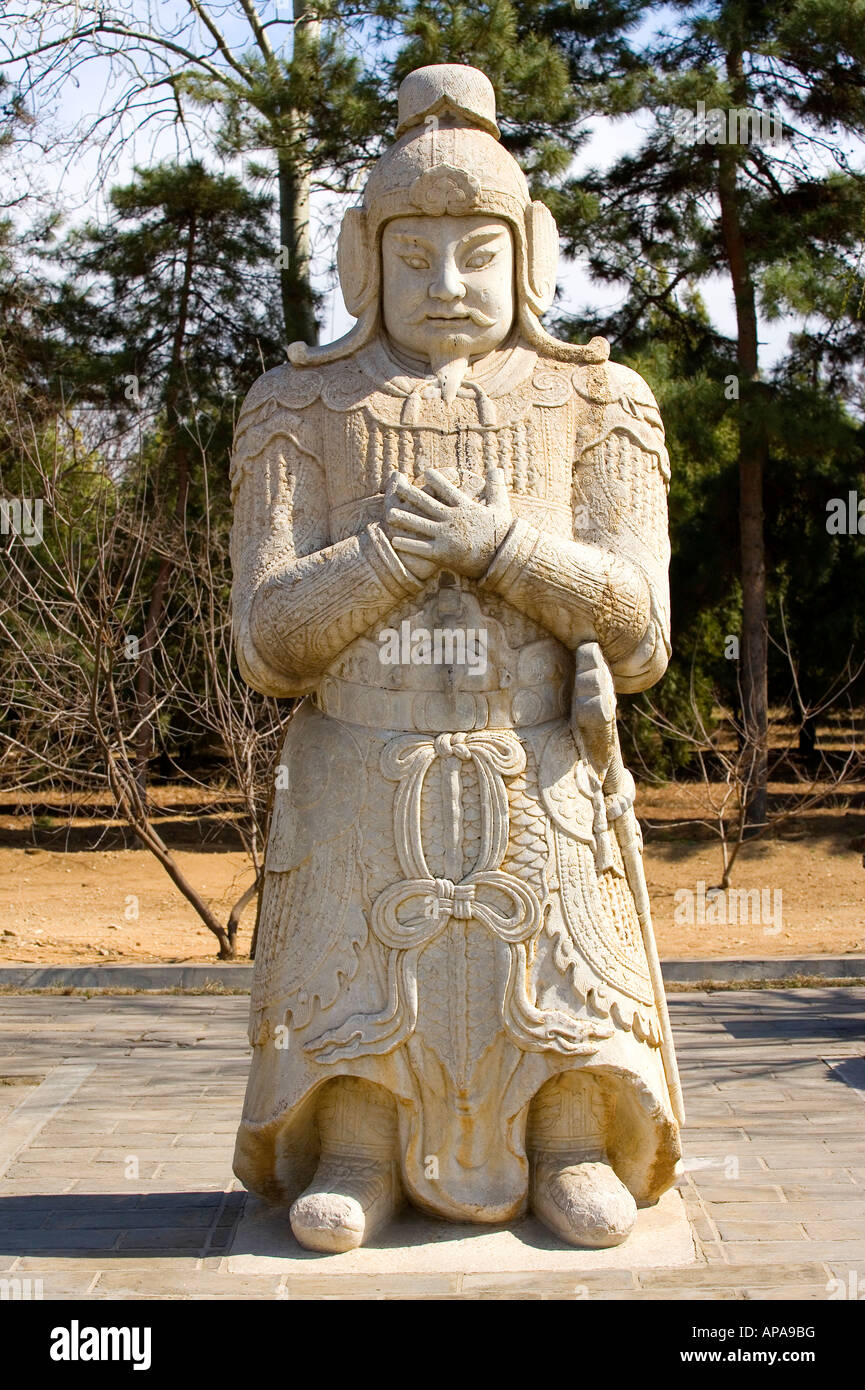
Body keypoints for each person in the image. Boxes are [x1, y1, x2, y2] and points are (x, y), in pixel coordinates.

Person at [229, 63, 682, 1252]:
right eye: (413, 251)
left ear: (527, 251)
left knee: (555, 952)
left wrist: (500, 549)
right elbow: (269, 638)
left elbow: (639, 628)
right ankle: (354, 1143)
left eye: (475, 251)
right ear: (360, 256)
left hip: (539, 748)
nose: (444, 283)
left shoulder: (598, 399)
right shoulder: (298, 405)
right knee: (367, 953)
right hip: (361, 754)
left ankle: (569, 1135)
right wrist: (383, 559)